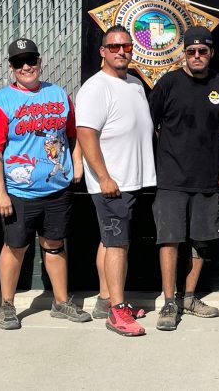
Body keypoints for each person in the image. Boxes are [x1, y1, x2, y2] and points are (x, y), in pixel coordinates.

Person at [0, 37, 90, 331]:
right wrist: (0, 192)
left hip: (56, 189)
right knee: (15, 246)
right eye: (19, 62)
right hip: (19, 191)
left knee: (54, 245)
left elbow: (74, 133)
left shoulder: (57, 94)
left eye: (31, 60)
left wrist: (76, 162)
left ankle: (60, 301)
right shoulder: (0, 101)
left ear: (40, 62)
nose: (26, 66)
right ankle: (7, 305)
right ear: (11, 67)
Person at [77, 25, 156, 337]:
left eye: (126, 46)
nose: (121, 51)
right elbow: (86, 134)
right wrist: (103, 176)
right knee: (118, 244)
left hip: (131, 180)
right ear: (102, 51)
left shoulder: (135, 83)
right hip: (111, 183)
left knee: (111, 242)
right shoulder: (96, 88)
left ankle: (106, 298)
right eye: (114, 47)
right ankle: (118, 312)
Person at [149, 26, 219, 331]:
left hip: (207, 179)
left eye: (202, 51)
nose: (196, 56)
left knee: (201, 243)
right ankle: (170, 302)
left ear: (210, 53)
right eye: (191, 51)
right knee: (169, 241)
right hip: (171, 179)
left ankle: (189, 298)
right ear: (184, 53)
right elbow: (148, 126)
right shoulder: (167, 83)